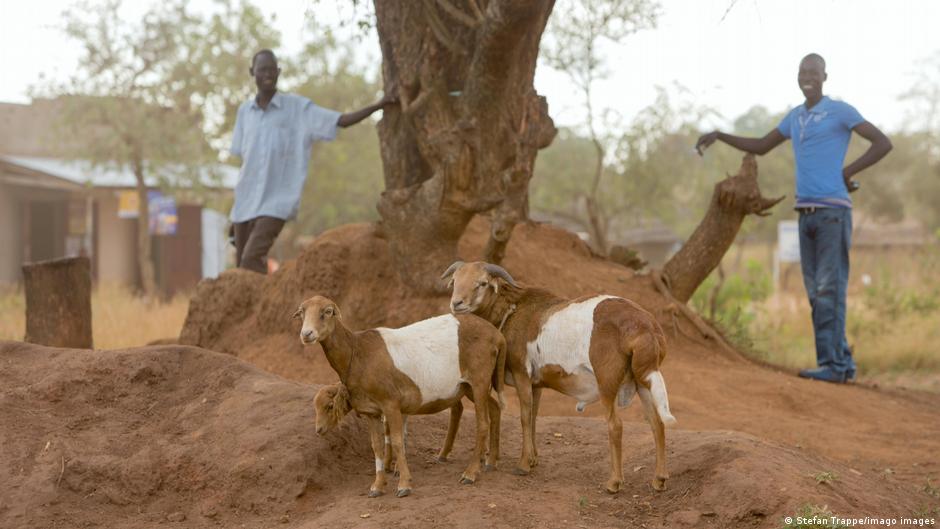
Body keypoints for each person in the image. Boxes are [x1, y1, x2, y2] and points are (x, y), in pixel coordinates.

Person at [695, 53, 892, 384]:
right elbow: (760, 145)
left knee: (830, 288)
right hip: (805, 214)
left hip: (833, 213)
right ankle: (841, 363)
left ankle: (831, 365)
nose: (807, 77)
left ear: (825, 77)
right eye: (803, 72)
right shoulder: (795, 118)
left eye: (813, 72)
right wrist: (719, 134)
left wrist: (848, 170)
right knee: (816, 291)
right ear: (797, 77)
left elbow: (882, 143)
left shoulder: (840, 111)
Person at [229, 49, 395, 274]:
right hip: (244, 203)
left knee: (251, 259)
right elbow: (244, 161)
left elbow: (341, 121)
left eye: (272, 69)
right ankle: (255, 306)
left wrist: (379, 104)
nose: (267, 74)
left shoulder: (297, 109)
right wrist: (235, 212)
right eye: (262, 70)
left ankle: (268, 303)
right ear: (252, 72)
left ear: (278, 72)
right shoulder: (244, 113)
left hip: (276, 202)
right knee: (241, 269)